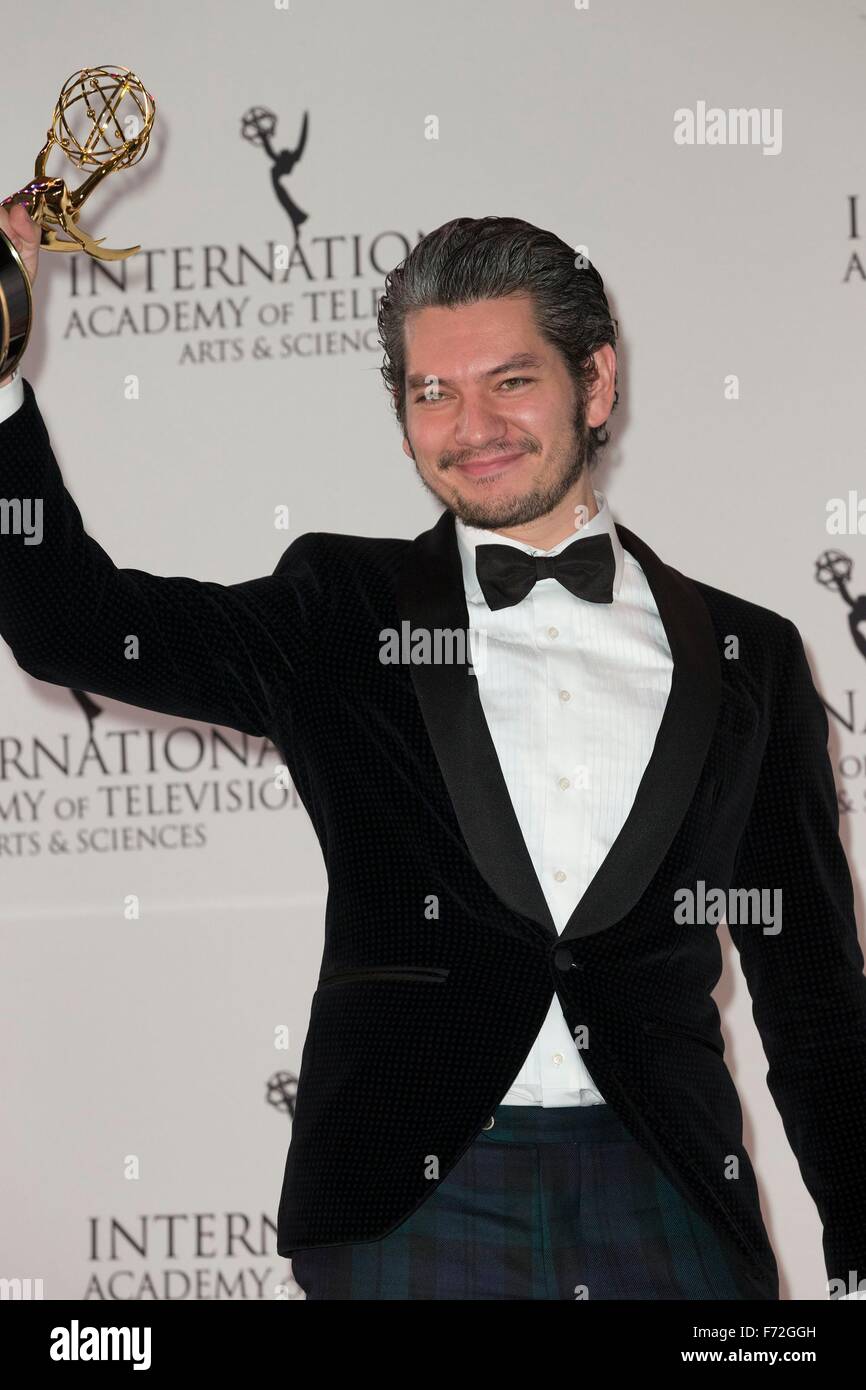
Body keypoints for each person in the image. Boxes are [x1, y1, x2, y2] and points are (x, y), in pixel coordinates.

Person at [2, 204, 865, 1301]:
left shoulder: (750, 653)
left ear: (593, 384)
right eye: (431, 392)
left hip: (669, 1190)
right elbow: (70, 627)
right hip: (416, 1197)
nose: (470, 425)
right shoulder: (337, 610)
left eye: (509, 382)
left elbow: (812, 992)